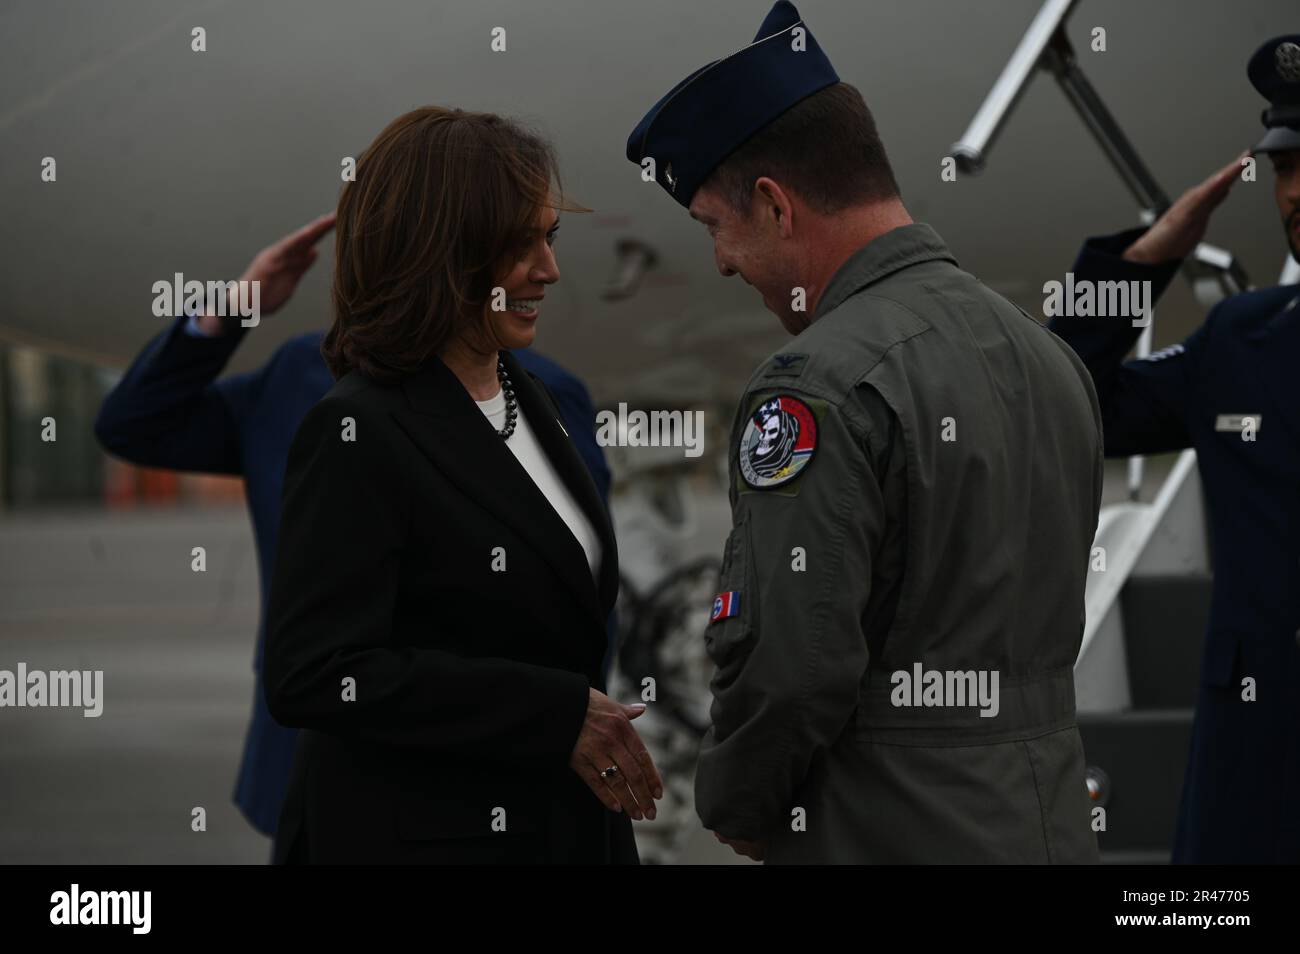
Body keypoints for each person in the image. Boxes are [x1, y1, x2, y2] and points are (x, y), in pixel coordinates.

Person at [626, 0, 1100, 863]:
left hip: (889, 830)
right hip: (1047, 823)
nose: (722, 262)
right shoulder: (1047, 357)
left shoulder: (818, 382)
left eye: (713, 227)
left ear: (773, 205)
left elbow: (793, 663)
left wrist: (735, 800)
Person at [94, 217, 613, 852]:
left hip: (494, 782)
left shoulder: (542, 397)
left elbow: (580, 606)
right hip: (319, 761)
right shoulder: (299, 380)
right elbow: (132, 425)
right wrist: (233, 309)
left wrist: (573, 728)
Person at [263, 106, 661, 864]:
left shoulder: (532, 397)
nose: (548, 270)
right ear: (438, 252)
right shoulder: (357, 430)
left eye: (550, 238)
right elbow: (314, 673)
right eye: (519, 245)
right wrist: (551, 715)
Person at [1048, 35, 1300, 864]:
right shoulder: (1243, 339)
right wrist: (1147, 262)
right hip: (1258, 783)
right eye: (1287, 168)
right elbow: (1069, 404)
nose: (1295, 192)